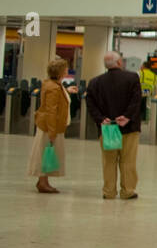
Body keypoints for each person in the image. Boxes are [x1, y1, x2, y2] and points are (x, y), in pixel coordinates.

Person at [85, 51, 142, 200]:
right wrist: (127, 116)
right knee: (127, 160)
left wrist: (100, 118)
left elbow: (90, 103)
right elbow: (136, 100)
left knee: (109, 161)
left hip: (108, 127)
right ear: (119, 62)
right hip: (128, 128)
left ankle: (109, 192)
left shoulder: (95, 82)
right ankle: (127, 191)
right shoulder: (132, 78)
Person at [28, 57, 72, 193]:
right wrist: (52, 132)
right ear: (60, 71)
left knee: (47, 153)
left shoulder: (54, 85)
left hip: (51, 126)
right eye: (65, 68)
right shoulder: (54, 88)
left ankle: (44, 180)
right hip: (50, 127)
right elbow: (51, 111)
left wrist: (68, 91)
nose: (67, 70)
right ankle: (42, 182)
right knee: (45, 153)